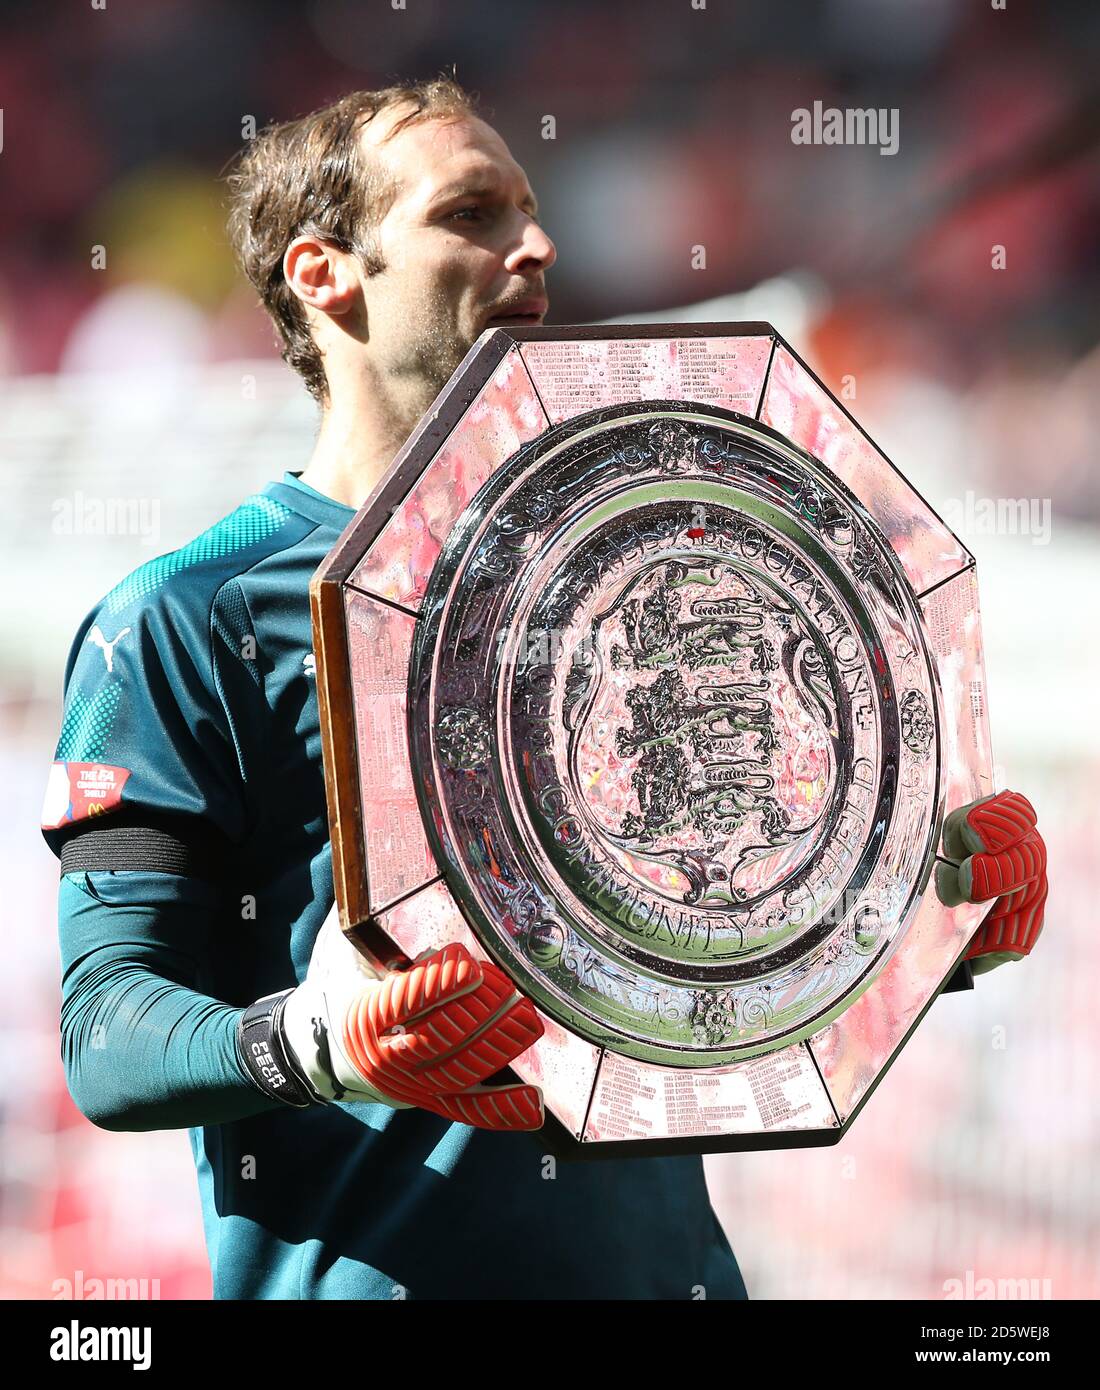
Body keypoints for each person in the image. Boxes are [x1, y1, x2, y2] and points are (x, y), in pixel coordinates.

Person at [40, 76, 1048, 1301]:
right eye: (470, 213)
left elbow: (722, 945)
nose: (537, 246)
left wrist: (931, 917)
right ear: (323, 273)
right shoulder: (187, 614)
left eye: (530, 210)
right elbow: (105, 1031)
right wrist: (315, 1039)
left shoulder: (637, 567)